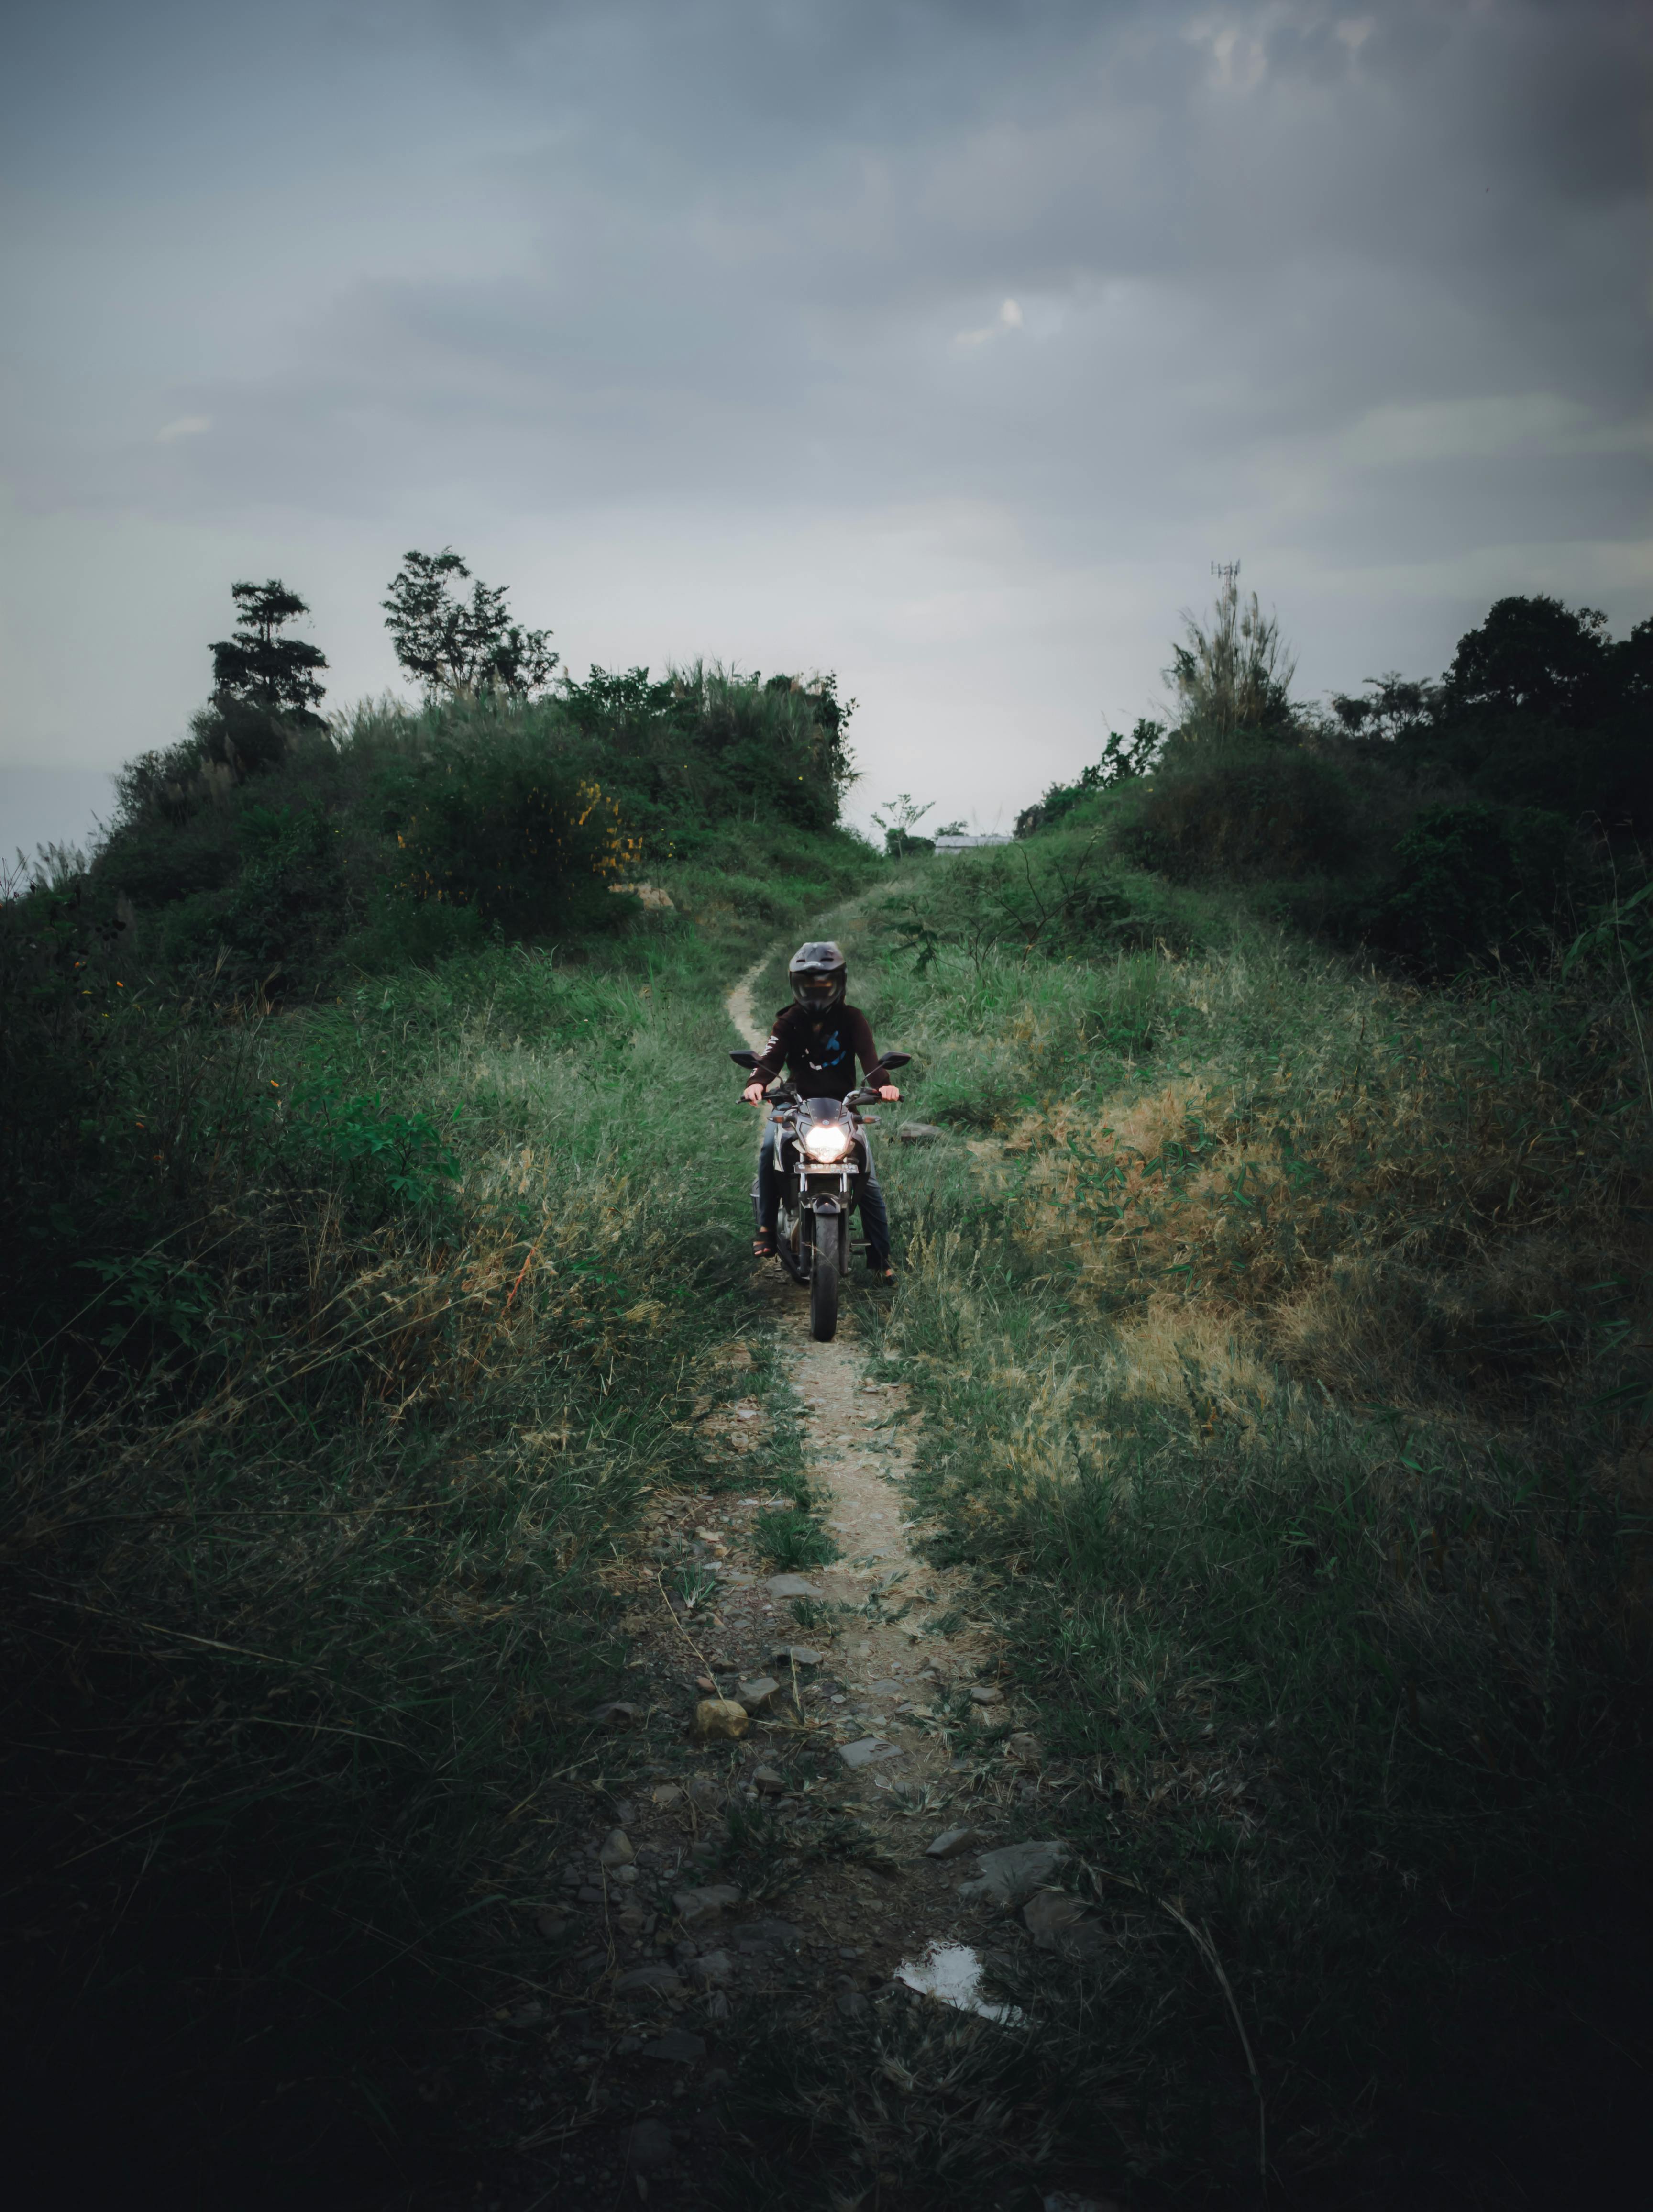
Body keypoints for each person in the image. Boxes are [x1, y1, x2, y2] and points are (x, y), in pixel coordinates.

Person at [742, 940, 901, 1280]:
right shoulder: (788, 1021)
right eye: (809, 983)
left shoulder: (852, 1019)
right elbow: (770, 1059)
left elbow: (870, 1060)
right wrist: (757, 1082)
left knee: (866, 1175)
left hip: (844, 1107)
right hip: (795, 1103)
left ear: (839, 982)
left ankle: (881, 1258)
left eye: (824, 982)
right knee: (770, 1147)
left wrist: (884, 1085)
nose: (816, 989)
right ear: (796, 984)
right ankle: (766, 1228)